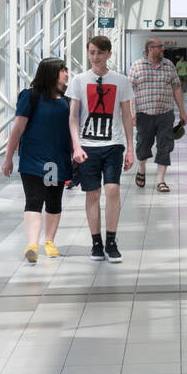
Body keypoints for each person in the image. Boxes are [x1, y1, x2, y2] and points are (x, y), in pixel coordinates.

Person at [68, 35, 135, 263]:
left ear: (109, 54)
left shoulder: (121, 81)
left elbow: (127, 115)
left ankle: (112, 240)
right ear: (88, 53)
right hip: (88, 146)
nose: (96, 57)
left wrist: (130, 148)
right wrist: (76, 146)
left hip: (113, 144)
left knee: (112, 190)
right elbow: (73, 117)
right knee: (92, 193)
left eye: (100, 52)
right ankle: (96, 242)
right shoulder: (78, 80)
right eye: (92, 52)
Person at [1, 57, 72, 263]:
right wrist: (8, 158)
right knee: (33, 200)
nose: (66, 73)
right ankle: (32, 244)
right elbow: (17, 129)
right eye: (63, 70)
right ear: (51, 73)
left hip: (56, 162)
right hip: (33, 160)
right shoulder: (30, 96)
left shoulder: (66, 100)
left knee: (53, 201)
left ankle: (49, 241)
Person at [129, 36, 187, 194]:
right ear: (150, 49)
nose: (163, 49)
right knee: (142, 145)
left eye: (162, 46)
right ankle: (141, 169)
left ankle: (161, 180)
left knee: (165, 146)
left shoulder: (169, 65)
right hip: (144, 114)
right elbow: (129, 91)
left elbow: (176, 88)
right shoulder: (137, 66)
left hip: (165, 113)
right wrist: (131, 113)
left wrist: (182, 110)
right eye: (160, 46)